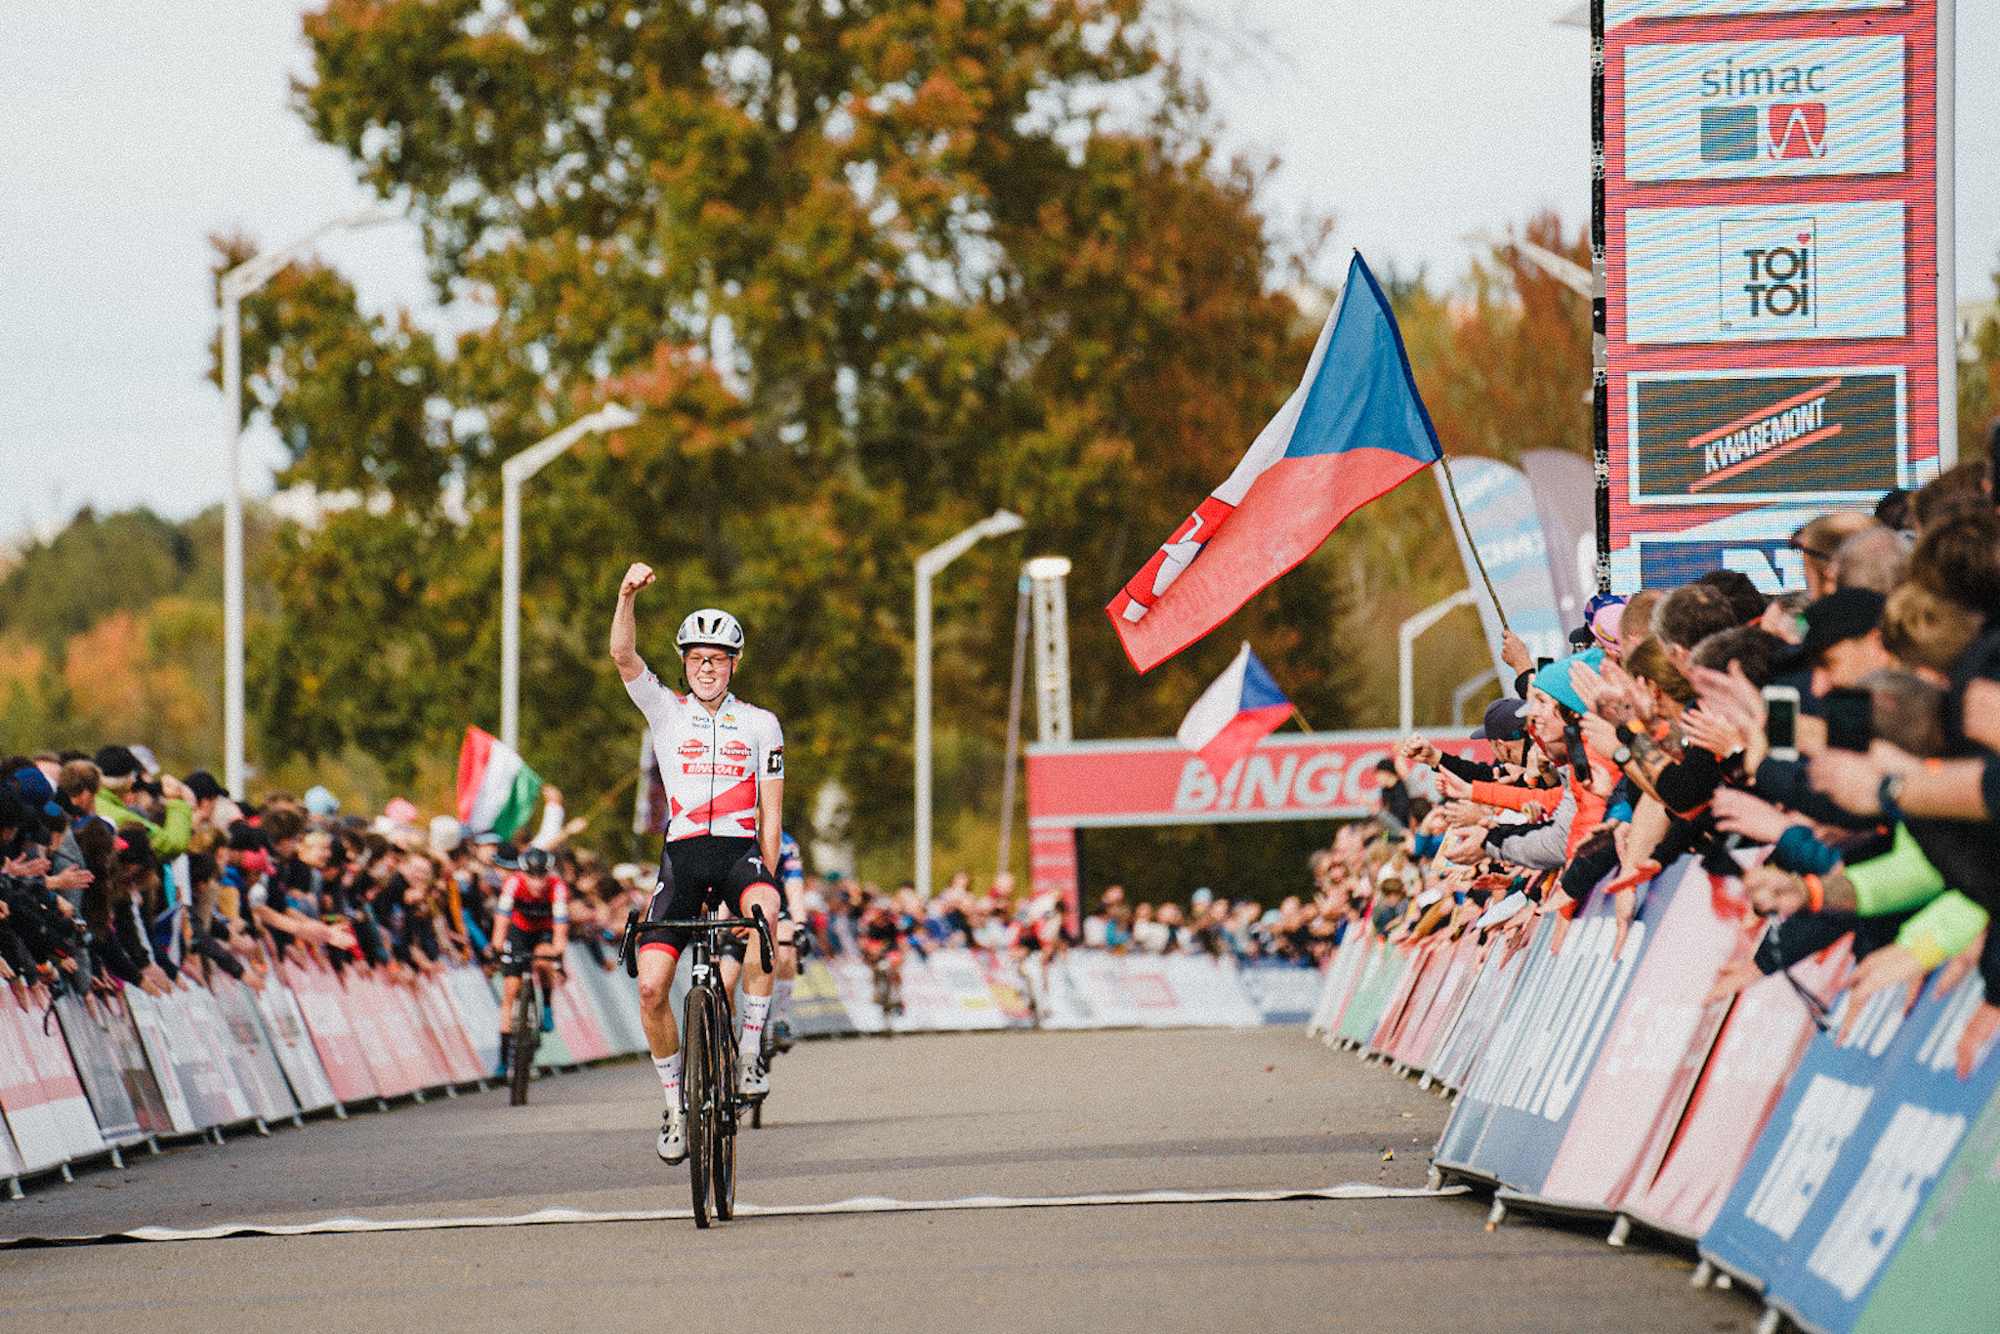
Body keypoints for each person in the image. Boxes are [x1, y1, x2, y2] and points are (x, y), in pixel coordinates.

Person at [610, 562, 786, 1165]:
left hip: (739, 855)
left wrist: (767, 874)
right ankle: (673, 1106)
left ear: (734, 663)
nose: (706, 668)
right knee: (654, 988)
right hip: (682, 861)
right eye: (696, 658)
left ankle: (751, 1050)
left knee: (768, 919)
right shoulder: (666, 711)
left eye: (717, 658)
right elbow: (622, 656)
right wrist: (626, 595)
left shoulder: (762, 724)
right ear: (685, 663)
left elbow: (771, 814)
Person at [491, 844, 570, 1076]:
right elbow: (502, 920)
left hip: (545, 932)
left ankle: (546, 1006)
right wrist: (497, 948)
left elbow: (561, 929)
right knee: (510, 994)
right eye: (532, 877)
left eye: (542, 876)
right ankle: (504, 1060)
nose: (537, 882)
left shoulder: (558, 887)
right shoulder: (513, 883)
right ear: (523, 873)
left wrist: (558, 957)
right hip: (519, 931)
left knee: (545, 959)